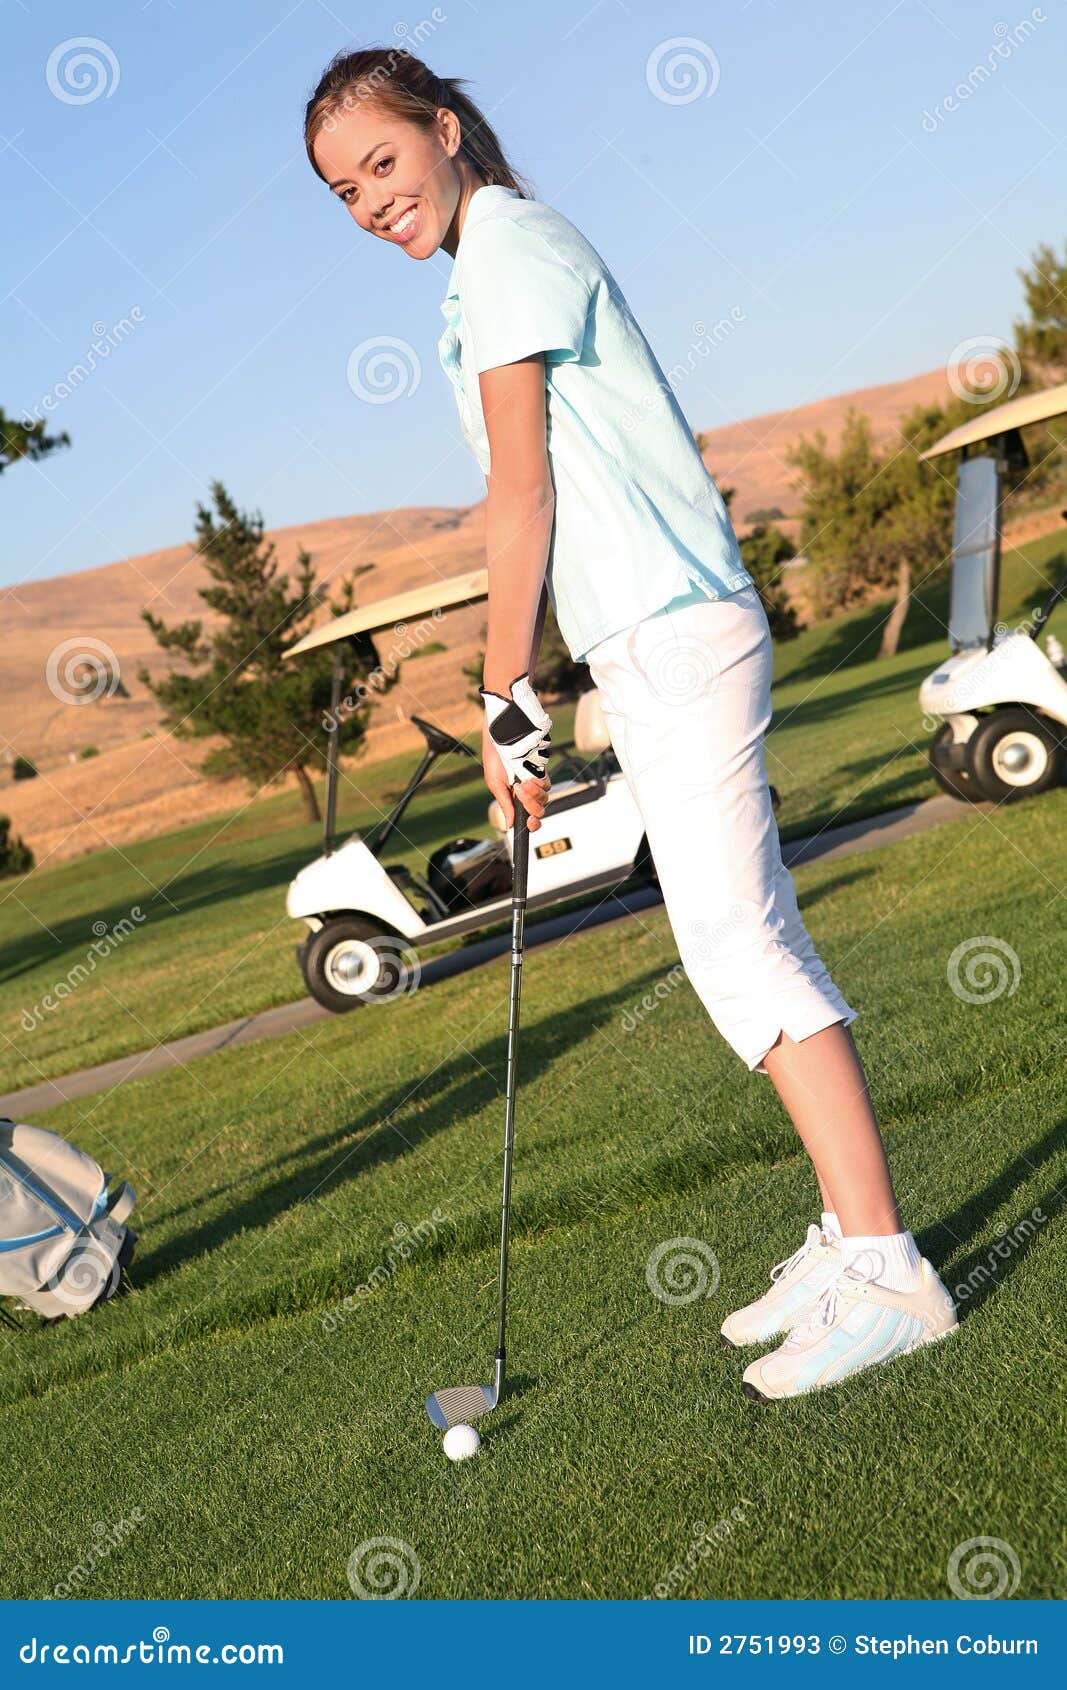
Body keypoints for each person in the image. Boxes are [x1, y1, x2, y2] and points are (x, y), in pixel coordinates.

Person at [303, 47, 958, 1400]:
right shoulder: (480, 271)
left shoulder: (507, 251)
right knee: (734, 937)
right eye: (342, 190)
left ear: (443, 130)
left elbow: (523, 499)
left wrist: (500, 700)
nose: (369, 200)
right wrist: (533, 696)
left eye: (381, 161)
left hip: (677, 632)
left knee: (740, 940)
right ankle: (849, 1233)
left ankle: (891, 1265)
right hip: (650, 637)